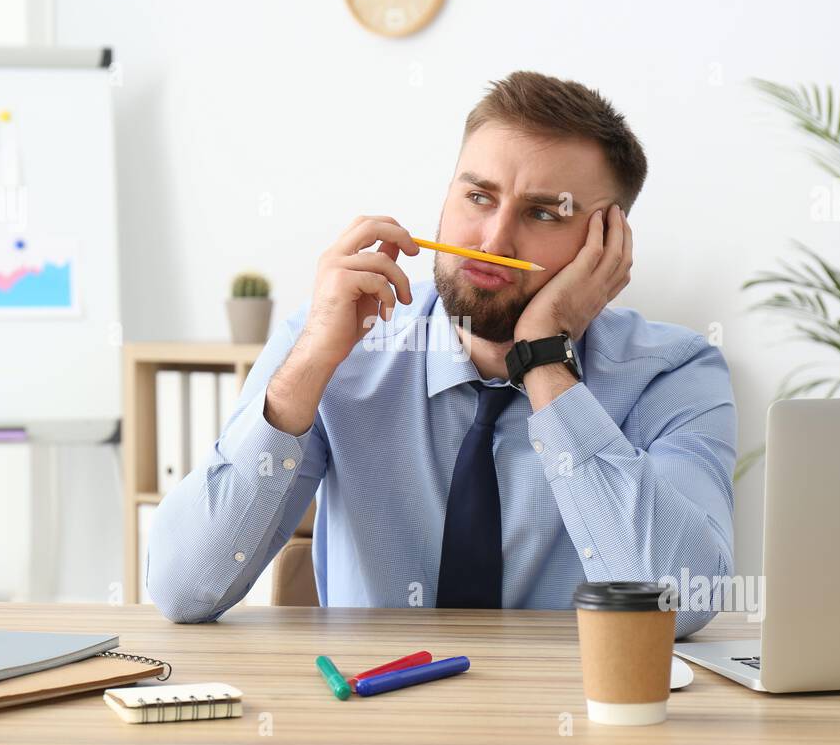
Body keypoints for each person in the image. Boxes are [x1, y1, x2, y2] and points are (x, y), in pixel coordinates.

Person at [148, 71, 736, 637]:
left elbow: (679, 604)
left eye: (542, 213)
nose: (493, 241)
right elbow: (182, 590)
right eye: (479, 196)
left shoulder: (675, 372)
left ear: (606, 246)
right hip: (375, 718)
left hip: (577, 726)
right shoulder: (333, 340)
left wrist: (546, 362)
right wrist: (307, 369)